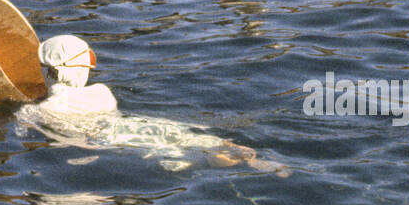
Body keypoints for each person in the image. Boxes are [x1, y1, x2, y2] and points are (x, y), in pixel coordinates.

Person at [16, 34, 290, 175]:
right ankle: (238, 152)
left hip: (109, 141)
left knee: (169, 156)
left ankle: (216, 160)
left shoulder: (41, 110)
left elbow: (20, 131)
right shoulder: (103, 93)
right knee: (180, 136)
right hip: (134, 126)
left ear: (50, 70)